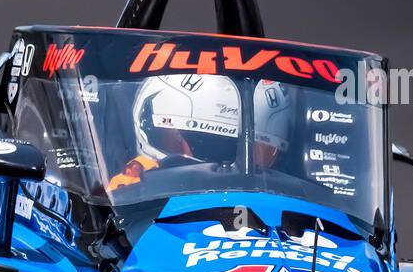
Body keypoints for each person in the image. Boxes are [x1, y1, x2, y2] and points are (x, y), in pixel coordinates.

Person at [107, 74, 293, 191]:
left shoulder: (297, 202)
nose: (223, 167)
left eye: (245, 152)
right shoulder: (128, 188)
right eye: (205, 144)